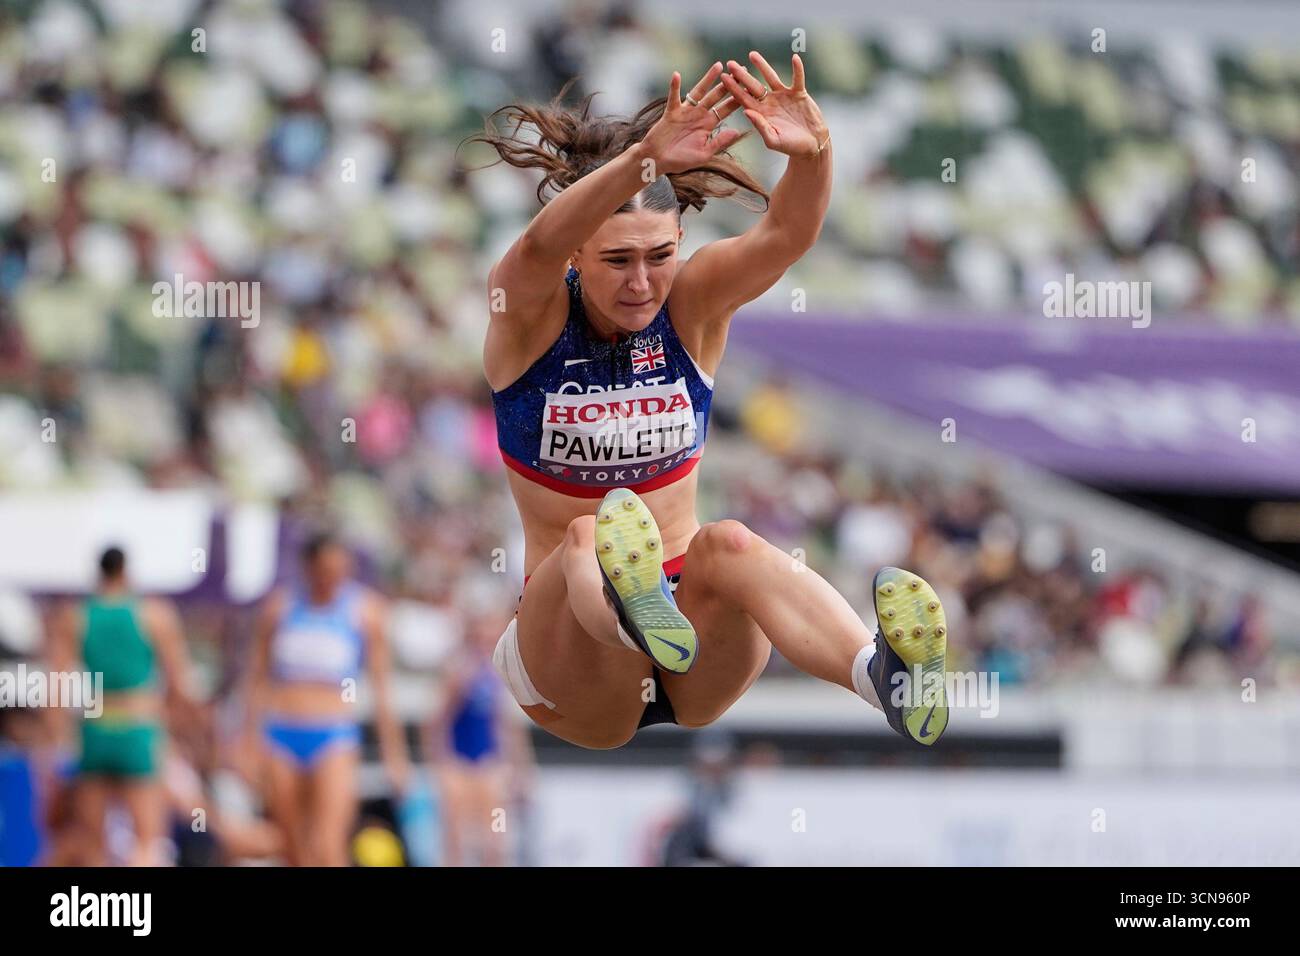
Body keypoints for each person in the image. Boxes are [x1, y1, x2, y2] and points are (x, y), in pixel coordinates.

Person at [472, 53, 950, 751]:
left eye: (658, 256)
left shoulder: (692, 306)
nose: (642, 282)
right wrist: (643, 161)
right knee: (589, 535)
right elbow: (538, 244)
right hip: (574, 663)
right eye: (617, 260)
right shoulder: (528, 321)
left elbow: (785, 236)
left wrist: (815, 153)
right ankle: (630, 615)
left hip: (695, 647)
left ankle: (881, 678)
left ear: (680, 243)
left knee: (727, 542)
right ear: (579, 255)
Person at [244, 533, 410, 866]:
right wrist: (249, 741)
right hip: (282, 731)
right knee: (291, 844)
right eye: (324, 570)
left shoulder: (365, 610)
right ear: (308, 568)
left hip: (333, 733)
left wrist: (394, 754)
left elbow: (381, 689)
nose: (331, 579)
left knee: (329, 843)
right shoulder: (280, 607)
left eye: (339, 571)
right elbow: (257, 679)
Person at [47, 546, 199, 866]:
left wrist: (58, 742)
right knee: (146, 836)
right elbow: (179, 683)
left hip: (96, 726)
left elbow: (56, 686)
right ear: (126, 572)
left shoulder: (75, 616)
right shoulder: (153, 614)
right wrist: (173, 727)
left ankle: (98, 912)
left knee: (92, 840)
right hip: (137, 726)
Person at [428, 607, 534, 866]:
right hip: (460, 762)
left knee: (494, 839)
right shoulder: (459, 671)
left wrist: (522, 768)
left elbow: (506, 725)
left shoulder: (498, 673)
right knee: (456, 838)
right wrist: (442, 764)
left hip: (488, 761)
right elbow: (437, 721)